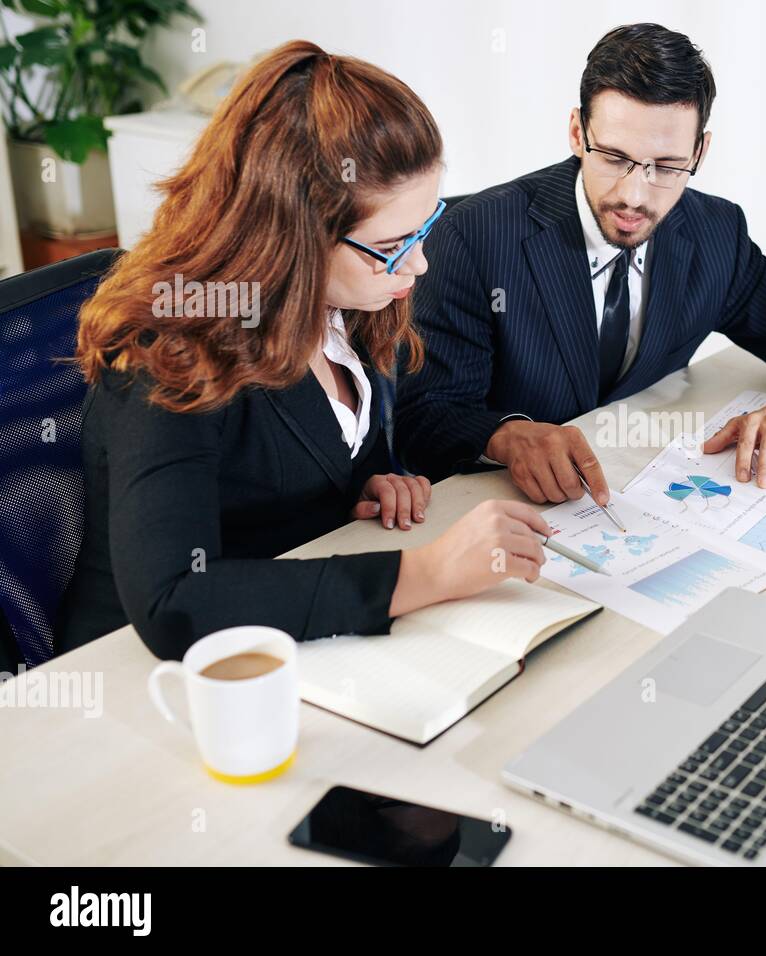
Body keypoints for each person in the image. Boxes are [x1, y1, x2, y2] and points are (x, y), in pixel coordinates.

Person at [56, 41, 551, 661]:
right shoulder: (168, 348)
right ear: (295, 233)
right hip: (145, 679)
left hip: (303, 632)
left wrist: (365, 481)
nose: (419, 264)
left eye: (426, 228)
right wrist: (428, 573)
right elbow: (174, 599)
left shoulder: (344, 302)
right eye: (396, 243)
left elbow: (302, 455)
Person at [396, 22, 766, 507]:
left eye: (666, 166)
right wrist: (509, 436)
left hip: (645, 490)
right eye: (613, 156)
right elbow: (428, 416)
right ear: (578, 133)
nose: (634, 196)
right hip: (506, 509)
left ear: (700, 152)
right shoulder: (474, 236)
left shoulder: (715, 233)